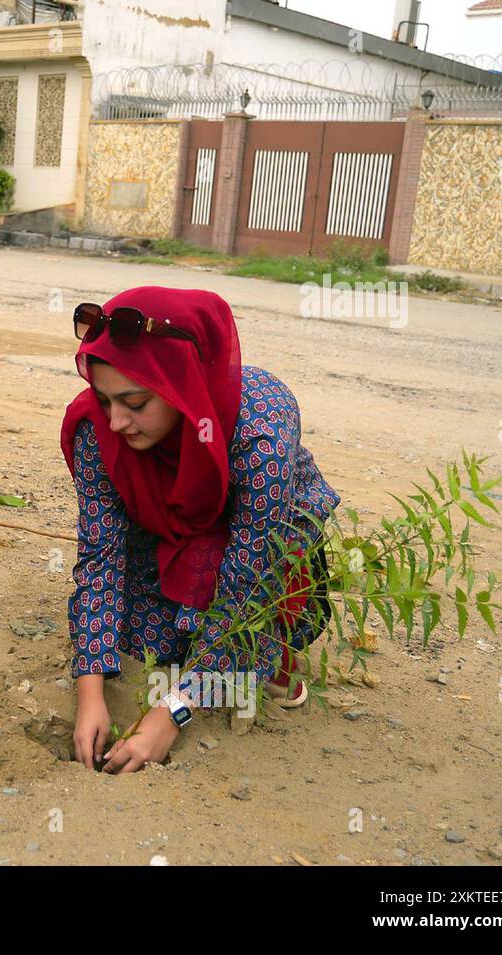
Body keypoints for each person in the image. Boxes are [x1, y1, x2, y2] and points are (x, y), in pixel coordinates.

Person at [62, 287, 339, 773]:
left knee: (248, 625)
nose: (117, 421)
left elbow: (248, 584)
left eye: (135, 401)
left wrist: (170, 714)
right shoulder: (97, 432)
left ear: (183, 386)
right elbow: (101, 557)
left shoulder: (261, 431)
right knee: (140, 638)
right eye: (104, 399)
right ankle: (211, 664)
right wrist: (90, 692)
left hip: (257, 554)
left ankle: (266, 657)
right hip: (168, 540)